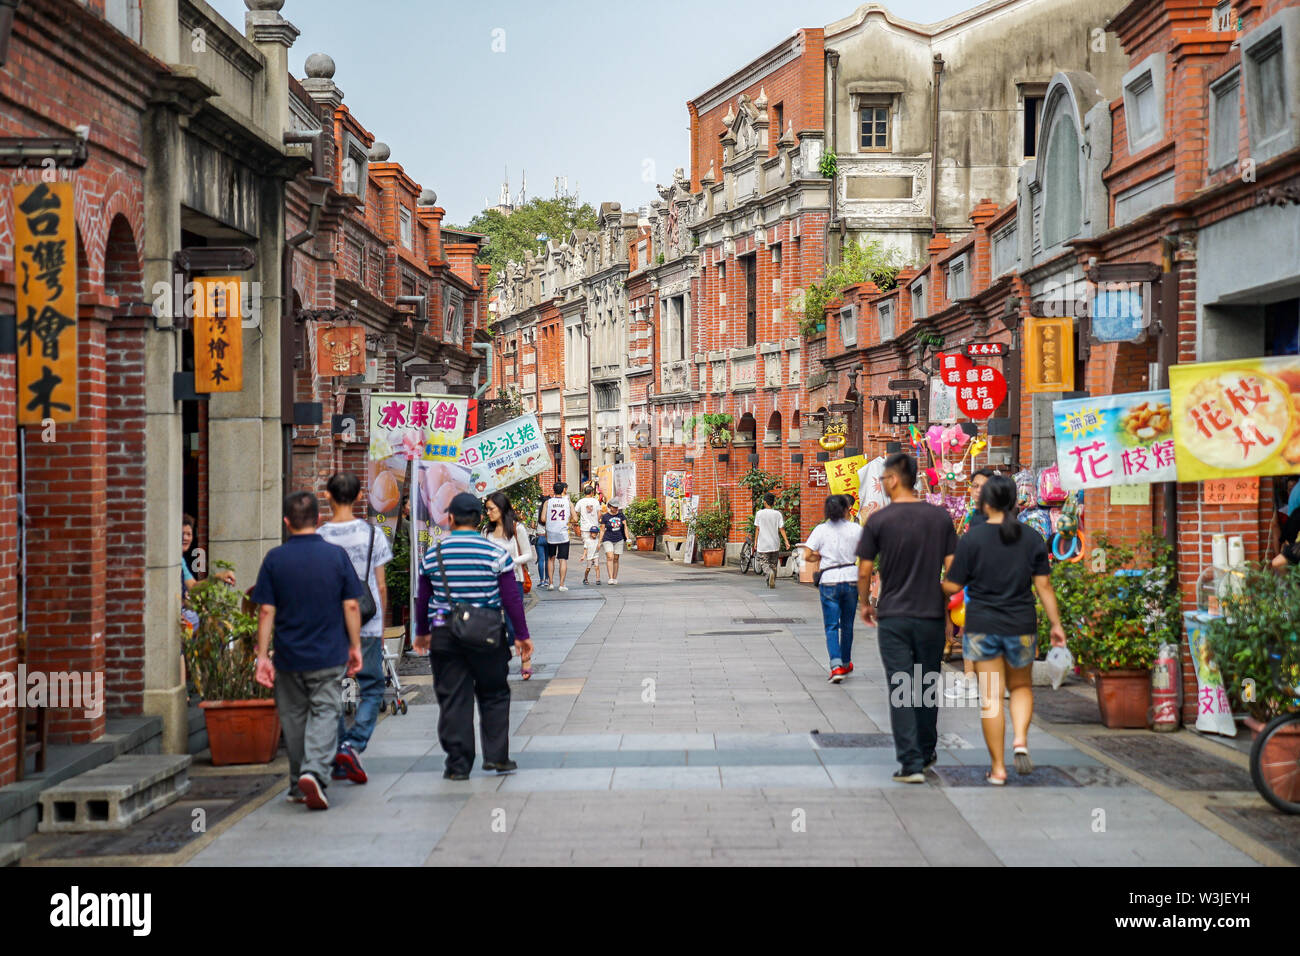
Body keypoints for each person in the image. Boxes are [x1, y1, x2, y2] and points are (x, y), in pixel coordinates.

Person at [943, 474, 1067, 785]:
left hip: (983, 624)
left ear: (985, 502)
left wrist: (937, 584)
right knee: (1022, 688)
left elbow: (954, 585)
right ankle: (1021, 740)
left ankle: (998, 769)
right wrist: (1056, 625)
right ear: (1013, 501)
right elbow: (1044, 587)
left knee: (992, 698)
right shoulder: (1031, 538)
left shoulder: (972, 539)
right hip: (1021, 623)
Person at [252, 491, 364, 810]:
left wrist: (262, 656)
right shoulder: (336, 556)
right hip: (329, 654)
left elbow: (265, 611)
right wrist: (355, 646)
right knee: (327, 711)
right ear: (318, 520)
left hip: (288, 656)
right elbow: (352, 604)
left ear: (286, 522)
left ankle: (297, 782)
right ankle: (314, 772)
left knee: (294, 718)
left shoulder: (275, 558)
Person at [414, 492, 533, 779]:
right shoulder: (496, 554)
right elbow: (511, 600)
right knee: (493, 693)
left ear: (451, 519)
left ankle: (457, 765)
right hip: (487, 633)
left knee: (454, 697)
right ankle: (497, 757)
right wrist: (522, 636)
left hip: (445, 634)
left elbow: (423, 598)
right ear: (479, 519)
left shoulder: (434, 554)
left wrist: (422, 632)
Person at [857, 452, 958, 784]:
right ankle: (927, 751)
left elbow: (865, 570)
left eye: (884, 479)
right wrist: (941, 599)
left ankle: (911, 763)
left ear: (895, 479)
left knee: (901, 686)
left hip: (895, 617)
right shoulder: (939, 518)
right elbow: (954, 570)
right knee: (926, 683)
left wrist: (865, 604)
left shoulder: (880, 521)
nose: (883, 484)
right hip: (930, 616)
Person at [317, 473, 393, 785]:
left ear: (327, 496)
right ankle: (353, 743)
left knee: (331, 688)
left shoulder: (319, 536)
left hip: (330, 621)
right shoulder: (373, 534)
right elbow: (381, 584)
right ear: (360, 496)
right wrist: (383, 622)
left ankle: (338, 752)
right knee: (373, 687)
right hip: (367, 619)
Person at [946, 467, 999, 702]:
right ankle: (970, 680)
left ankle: (987, 682)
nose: (977, 491)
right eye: (974, 486)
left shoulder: (997, 515)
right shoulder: (975, 514)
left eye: (983, 487)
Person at [803, 494, 863, 682]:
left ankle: (836, 665)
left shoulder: (821, 530)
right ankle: (846, 663)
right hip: (851, 578)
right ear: (847, 509)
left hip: (828, 580)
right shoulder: (855, 528)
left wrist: (821, 558)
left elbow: (807, 554)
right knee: (847, 625)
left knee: (831, 625)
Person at [485, 491, 535, 678]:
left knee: (514, 621)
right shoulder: (486, 531)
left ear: (502, 508)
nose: (488, 512)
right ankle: (500, 658)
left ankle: (525, 658)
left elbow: (528, 555)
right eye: (487, 509)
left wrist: (508, 562)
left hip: (514, 579)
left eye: (492, 509)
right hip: (491, 581)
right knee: (493, 622)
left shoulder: (516, 528)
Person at [754, 492, 791, 588]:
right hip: (774, 543)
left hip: (763, 543)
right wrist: (786, 541)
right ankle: (772, 580)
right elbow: (781, 528)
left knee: (764, 562)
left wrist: (755, 542)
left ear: (764, 502)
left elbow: (757, 529)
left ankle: (769, 573)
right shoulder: (777, 514)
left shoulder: (759, 513)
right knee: (773, 564)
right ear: (774, 503)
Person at [540, 481, 572, 591]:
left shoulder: (547, 502)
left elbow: (543, 519)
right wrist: (568, 521)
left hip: (551, 533)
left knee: (550, 558)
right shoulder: (568, 502)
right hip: (563, 533)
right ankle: (562, 584)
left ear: (553, 490)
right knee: (562, 559)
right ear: (564, 490)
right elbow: (576, 518)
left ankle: (551, 583)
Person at [597, 498, 627, 584]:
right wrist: (600, 541)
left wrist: (628, 538)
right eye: (614, 507)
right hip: (608, 538)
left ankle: (614, 577)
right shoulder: (605, 516)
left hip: (619, 538)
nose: (616, 508)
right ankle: (610, 578)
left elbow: (625, 527)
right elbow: (602, 529)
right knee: (610, 557)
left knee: (616, 558)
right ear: (610, 506)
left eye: (617, 507)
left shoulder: (621, 515)